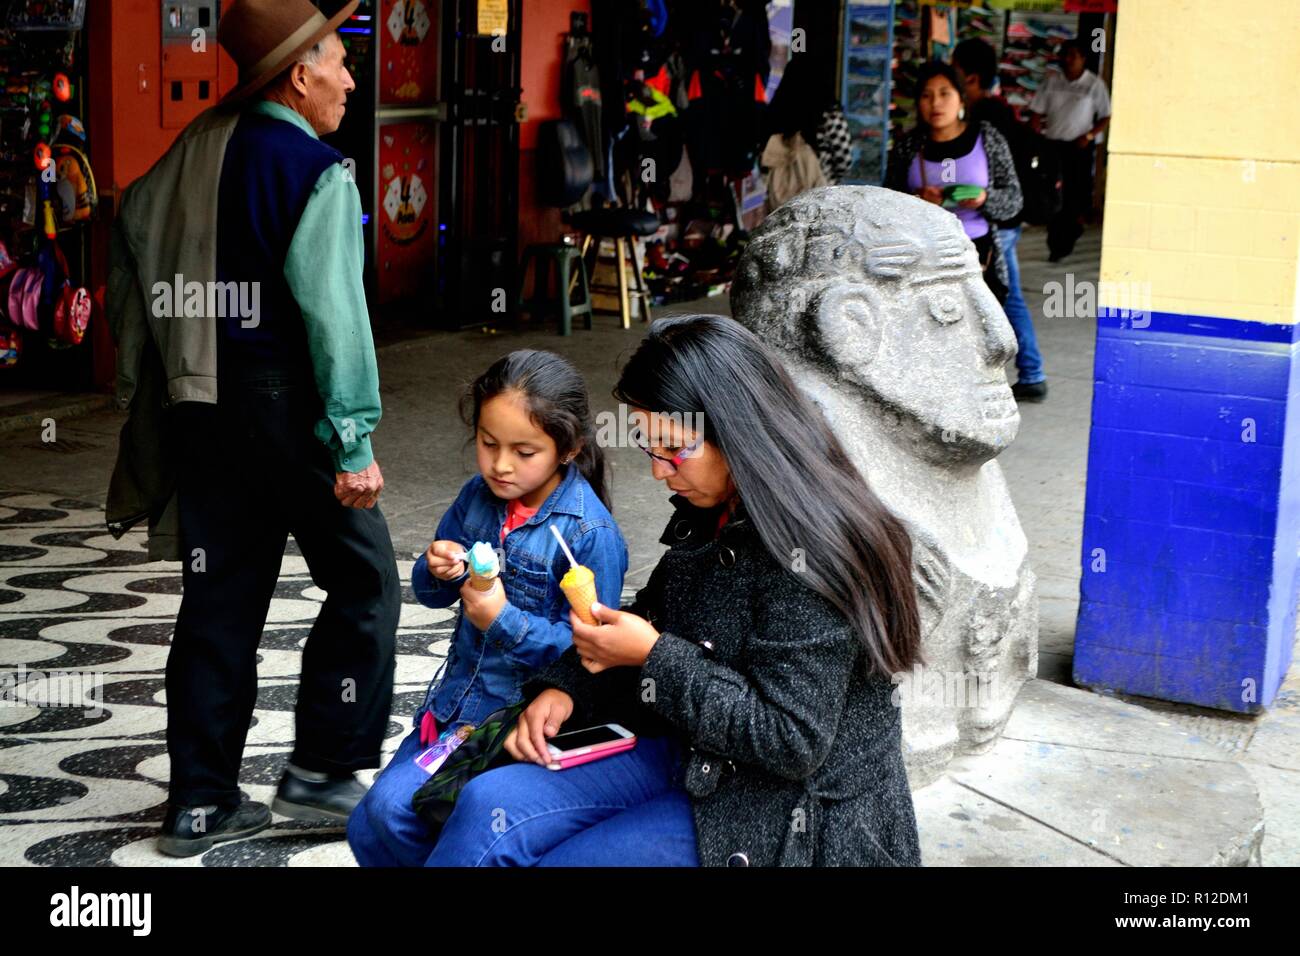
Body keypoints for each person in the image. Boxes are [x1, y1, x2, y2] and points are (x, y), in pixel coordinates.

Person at [420, 315, 924, 867]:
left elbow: (792, 739)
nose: (660, 473)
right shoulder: (712, 513)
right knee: (486, 802)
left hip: (789, 808)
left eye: (674, 450)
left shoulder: (806, 550)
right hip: (696, 749)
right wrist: (566, 688)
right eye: (649, 448)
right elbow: (654, 614)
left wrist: (653, 654)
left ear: (739, 435)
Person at [108, 0, 400, 857]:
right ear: (299, 73)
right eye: (339, 62)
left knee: (219, 603)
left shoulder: (199, 145)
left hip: (202, 405)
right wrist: (353, 442)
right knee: (364, 582)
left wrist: (151, 367)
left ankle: (199, 802)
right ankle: (321, 767)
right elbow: (335, 321)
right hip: (289, 406)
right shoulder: (313, 168)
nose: (351, 78)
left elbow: (130, 225)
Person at [347, 350, 628, 867]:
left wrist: (502, 620)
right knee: (375, 821)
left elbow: (593, 656)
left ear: (569, 449)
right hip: (454, 708)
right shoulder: (476, 497)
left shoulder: (588, 535)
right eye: (488, 443)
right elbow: (430, 593)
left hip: (520, 727)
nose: (500, 465)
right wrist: (437, 569)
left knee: (395, 811)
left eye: (525, 451)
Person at [952, 38, 1047, 402]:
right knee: (1009, 296)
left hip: (996, 223)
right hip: (1002, 220)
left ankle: (1031, 372)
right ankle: (1031, 372)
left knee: (1006, 297)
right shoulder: (999, 111)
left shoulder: (985, 120)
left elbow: (996, 178)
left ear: (970, 78)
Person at [886, 61, 1022, 305]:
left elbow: (1014, 201)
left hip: (977, 257)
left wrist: (984, 199)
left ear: (961, 99)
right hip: (922, 260)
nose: (935, 103)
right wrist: (917, 201)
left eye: (944, 93)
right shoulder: (907, 147)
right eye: (927, 95)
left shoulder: (987, 138)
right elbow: (886, 207)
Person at [1029, 38, 1111, 262]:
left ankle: (1066, 238)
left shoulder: (1094, 84)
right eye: (1066, 54)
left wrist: (1089, 136)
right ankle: (1056, 240)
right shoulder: (1052, 82)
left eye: (1074, 55)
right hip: (1053, 147)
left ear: (1083, 58)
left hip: (1079, 147)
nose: (1069, 59)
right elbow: (1036, 112)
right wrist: (1037, 136)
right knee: (1052, 195)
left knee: (1074, 196)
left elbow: (1105, 116)